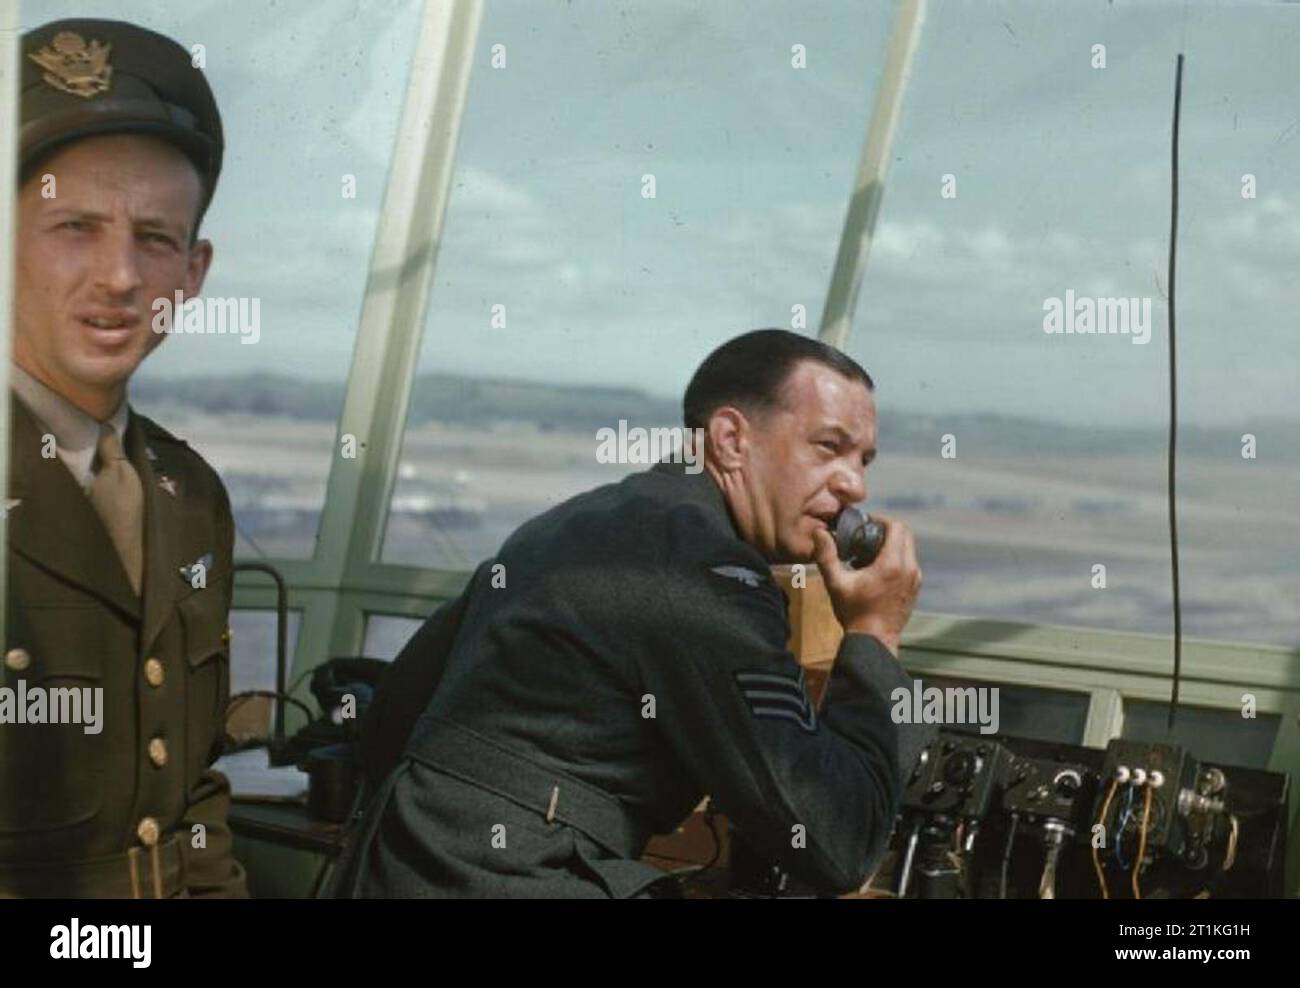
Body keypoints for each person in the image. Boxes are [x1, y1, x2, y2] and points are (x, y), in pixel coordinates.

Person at [333, 329, 934, 898]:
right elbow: (835, 840)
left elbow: (400, 707)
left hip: (401, 857)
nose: (853, 485)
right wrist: (875, 632)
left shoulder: (581, 521)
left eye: (864, 461)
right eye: (829, 447)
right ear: (730, 440)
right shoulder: (704, 574)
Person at [0, 18, 246, 897]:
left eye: (153, 238)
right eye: (74, 226)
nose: (117, 277)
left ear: (193, 273)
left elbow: (192, 804)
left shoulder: (191, 496)